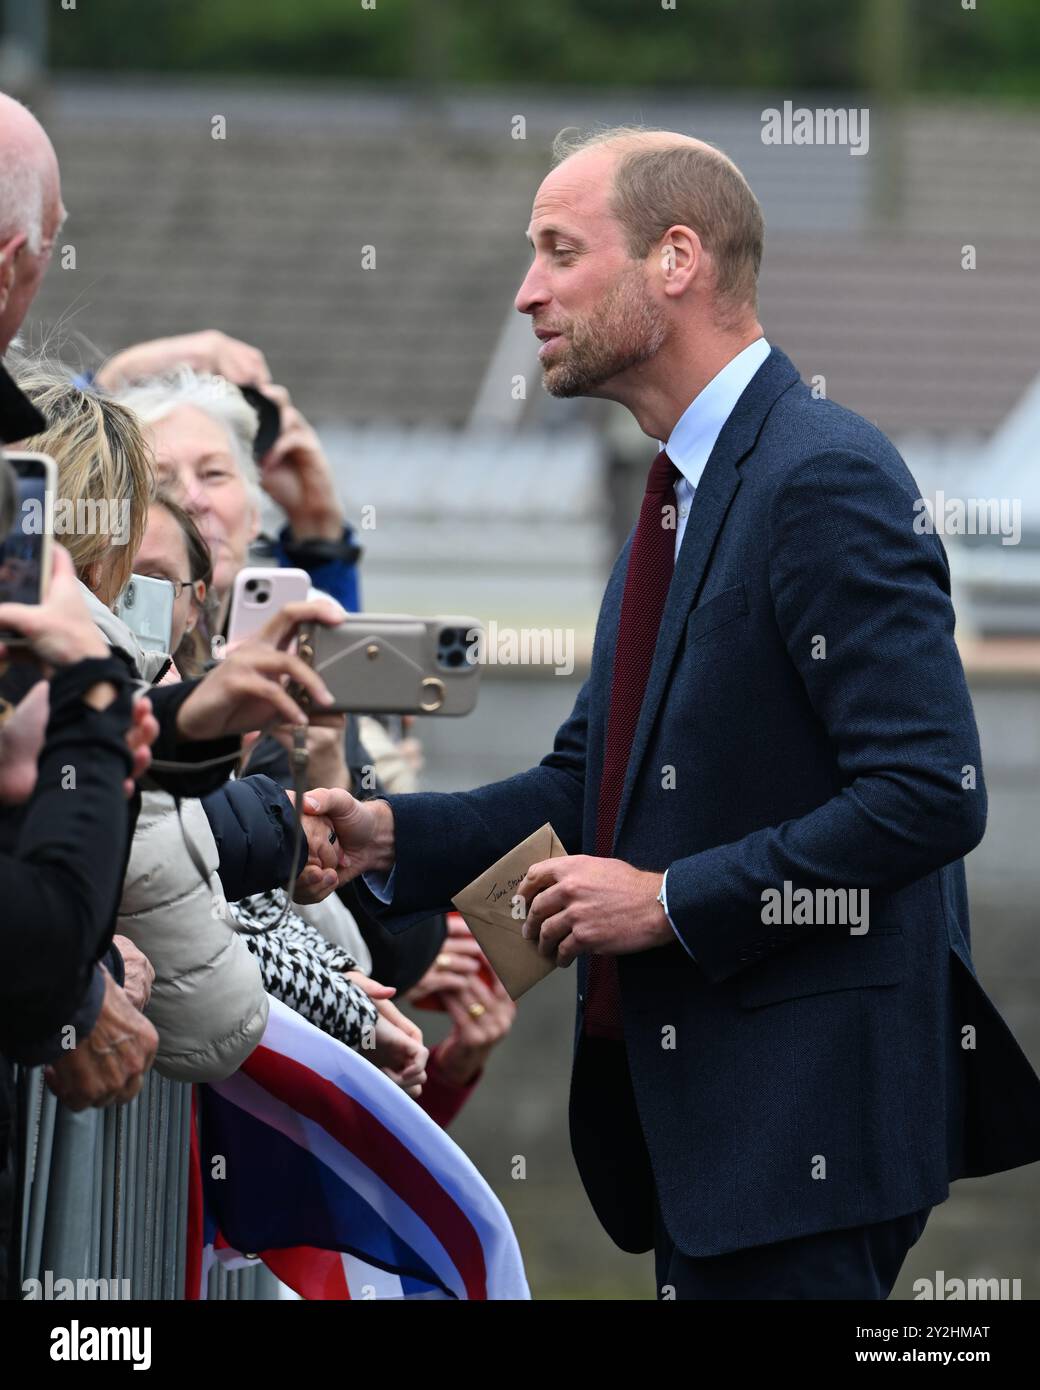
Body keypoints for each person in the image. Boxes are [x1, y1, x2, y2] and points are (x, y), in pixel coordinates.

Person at [304, 126, 1040, 1300]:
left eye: (557, 251)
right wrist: (390, 837)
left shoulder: (822, 476)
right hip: (710, 1142)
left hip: (801, 1145)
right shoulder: (681, 490)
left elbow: (927, 794)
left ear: (676, 259)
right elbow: (586, 784)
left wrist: (668, 901)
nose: (525, 290)